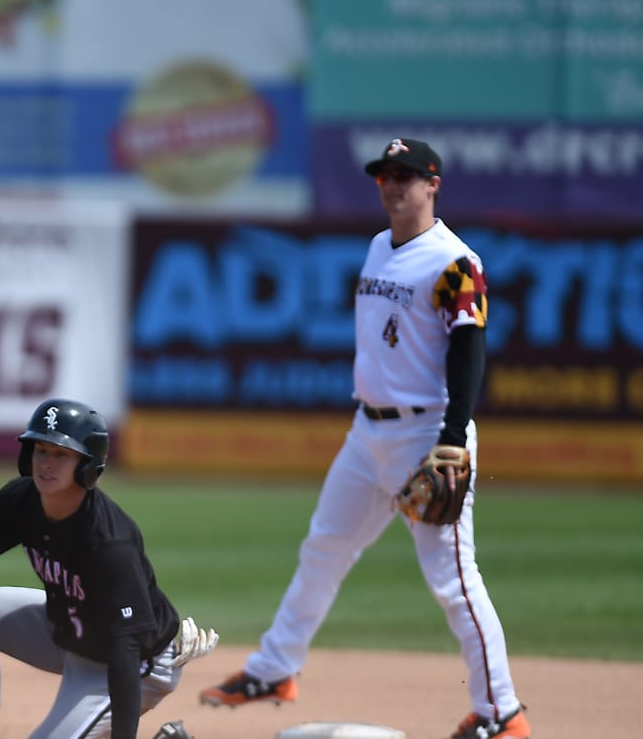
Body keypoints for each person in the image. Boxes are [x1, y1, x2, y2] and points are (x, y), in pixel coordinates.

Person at [197, 138, 531, 739]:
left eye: (405, 176)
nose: (392, 185)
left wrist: (453, 436)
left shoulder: (454, 262)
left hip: (427, 433)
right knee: (323, 548)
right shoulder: (379, 247)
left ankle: (500, 712)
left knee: (453, 582)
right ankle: (275, 668)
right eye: (384, 176)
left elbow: (469, 347)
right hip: (367, 431)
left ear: (433, 185)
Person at [0, 398, 218, 739]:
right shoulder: (21, 500)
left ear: (88, 465)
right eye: (41, 450)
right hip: (68, 630)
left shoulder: (109, 542)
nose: (47, 464)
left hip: (133, 662)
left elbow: (125, 654)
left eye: (61, 454)